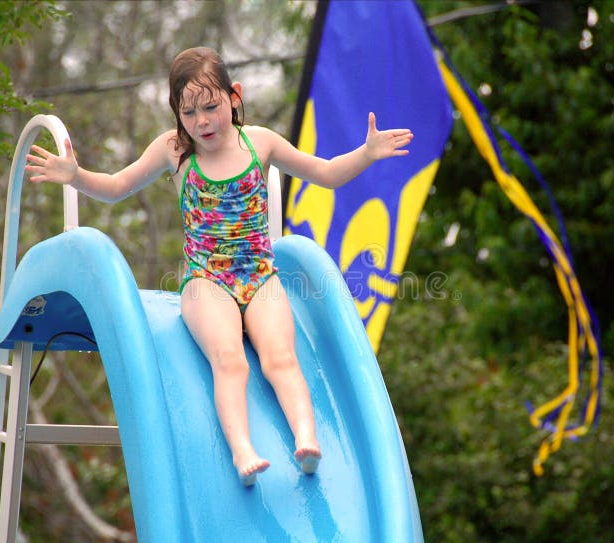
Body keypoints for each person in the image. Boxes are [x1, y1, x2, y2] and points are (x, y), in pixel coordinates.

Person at [26, 46, 413, 486]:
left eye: (211, 106)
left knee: (281, 357)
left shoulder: (260, 142)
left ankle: (306, 440)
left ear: (234, 96)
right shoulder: (174, 151)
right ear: (177, 113)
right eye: (189, 113)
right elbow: (117, 187)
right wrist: (76, 176)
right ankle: (242, 450)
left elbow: (323, 173)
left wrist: (365, 153)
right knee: (229, 359)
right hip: (205, 282)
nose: (202, 121)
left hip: (260, 277)